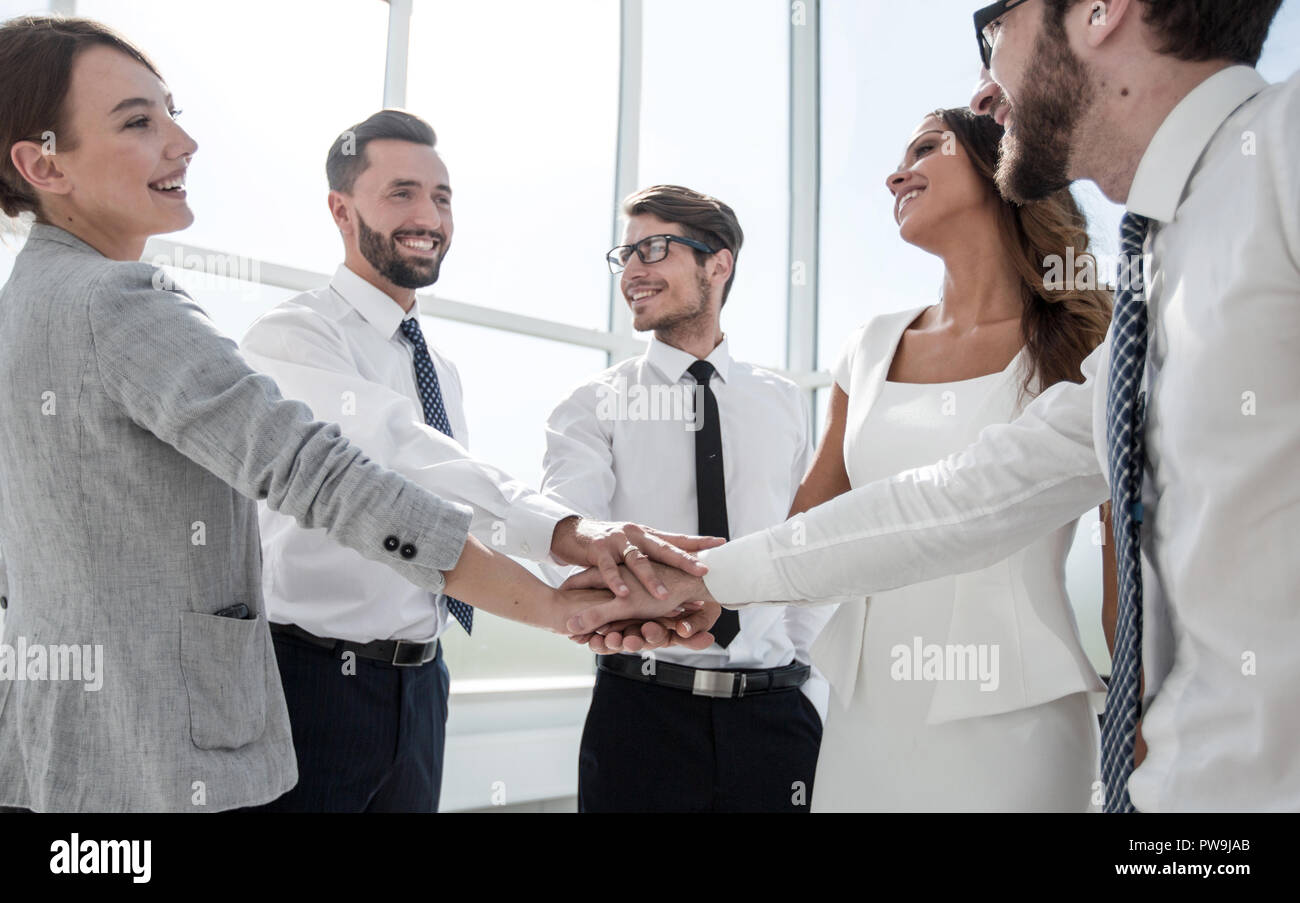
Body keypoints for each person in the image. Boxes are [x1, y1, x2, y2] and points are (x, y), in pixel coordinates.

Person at [567, 0, 1299, 813]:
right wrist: (714, 579)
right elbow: (961, 500)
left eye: (994, 25)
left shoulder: (1282, 154)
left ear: (1103, 11)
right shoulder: (1152, 291)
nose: (988, 91)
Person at [0, 16, 702, 813]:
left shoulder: (30, 304)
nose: (183, 142)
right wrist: (554, 588)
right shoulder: (143, 307)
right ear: (42, 164)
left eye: (173, 111)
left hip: (388, 687)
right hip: (197, 729)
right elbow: (339, 474)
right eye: (138, 121)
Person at [237, 116, 716, 813]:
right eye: (401, 193)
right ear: (341, 209)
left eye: (443, 197)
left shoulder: (439, 368)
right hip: (309, 682)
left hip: (422, 682)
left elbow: (454, 517)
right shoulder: (293, 336)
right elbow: (399, 462)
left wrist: (592, 596)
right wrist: (568, 532)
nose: (429, 216)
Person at [784, 107, 1114, 811]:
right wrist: (693, 578)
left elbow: (1128, 568)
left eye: (929, 147)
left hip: (1016, 724)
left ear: (1006, 166)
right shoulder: (867, 346)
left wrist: (1147, 721)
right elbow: (807, 533)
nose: (897, 172)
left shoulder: (1087, 339)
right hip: (864, 722)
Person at [542, 185, 831, 812]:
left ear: (717, 264)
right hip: (641, 719)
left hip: (776, 722)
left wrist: (795, 670)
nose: (634, 272)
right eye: (626, 255)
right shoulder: (592, 404)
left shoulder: (784, 404)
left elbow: (810, 543)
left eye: (653, 249)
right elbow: (561, 546)